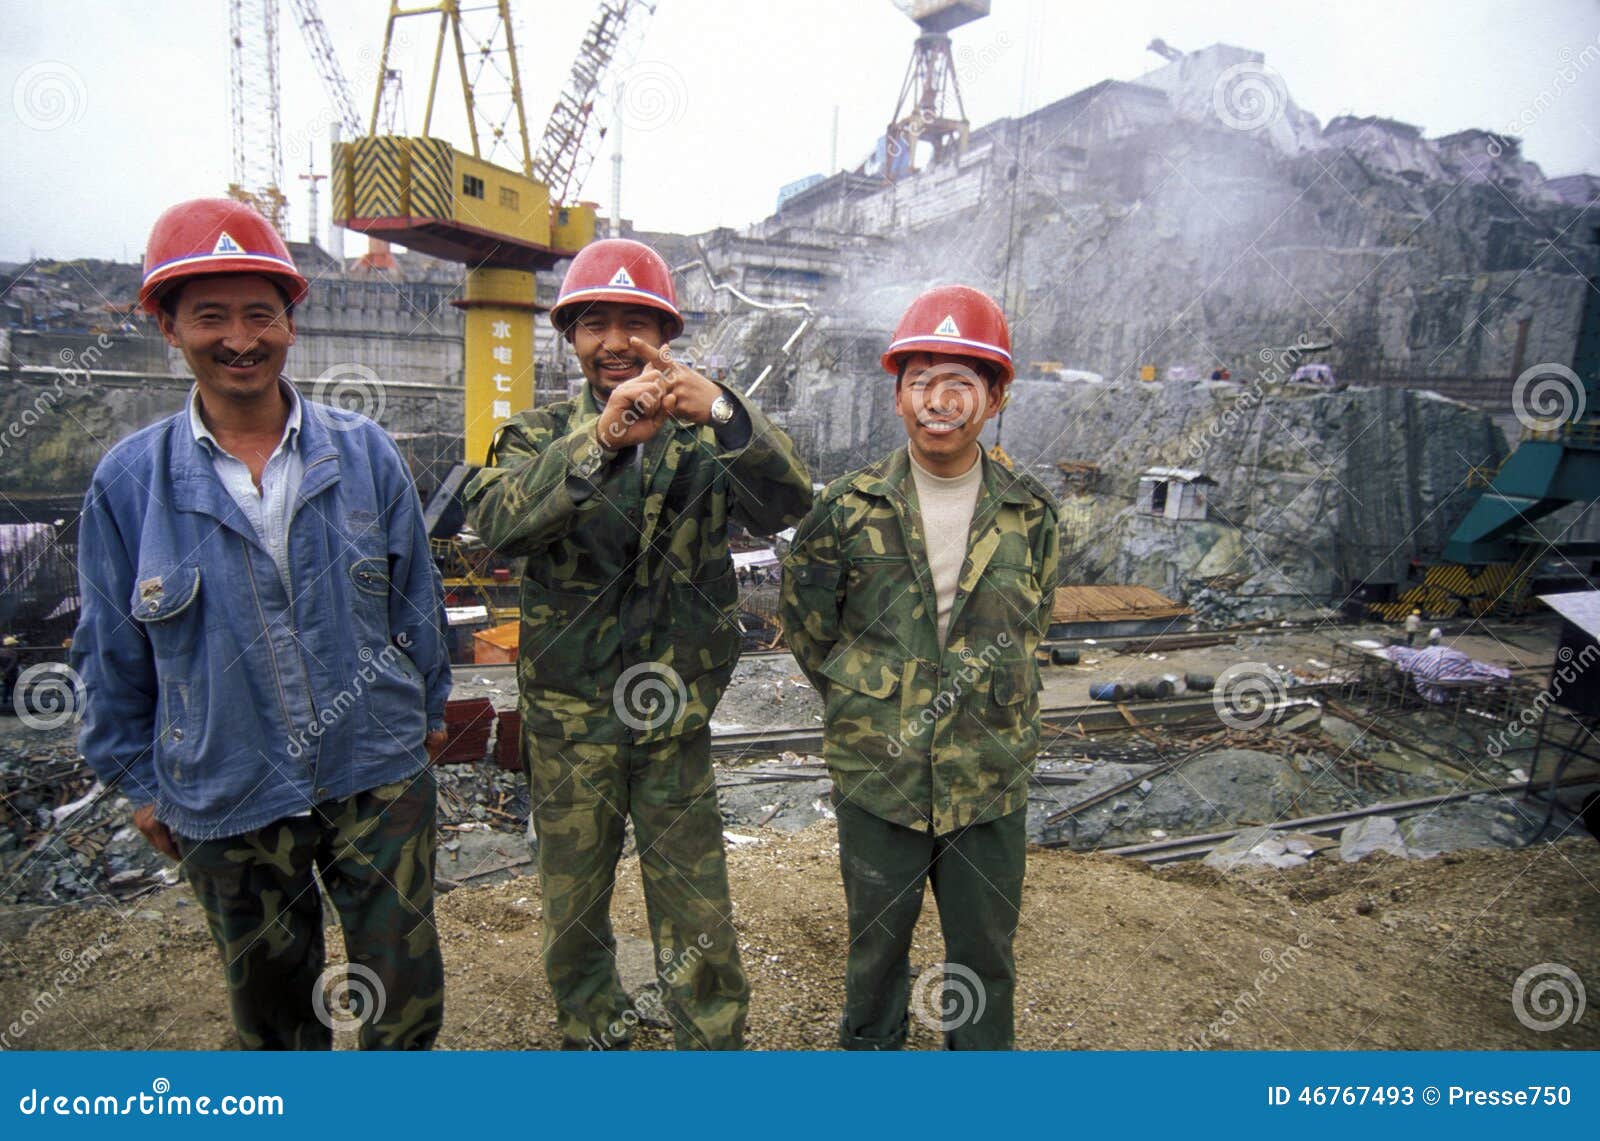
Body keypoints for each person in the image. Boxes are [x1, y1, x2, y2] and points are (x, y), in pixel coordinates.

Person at [71, 198, 451, 1050]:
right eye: (210, 315)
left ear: (290, 323)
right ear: (168, 326)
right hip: (225, 787)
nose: (240, 337)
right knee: (274, 1022)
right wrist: (139, 780)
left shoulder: (364, 454)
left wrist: (422, 720)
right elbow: (108, 652)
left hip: (376, 773)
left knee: (406, 1001)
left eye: (260, 313)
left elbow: (417, 604)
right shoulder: (129, 485)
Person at [464, 238, 812, 1050]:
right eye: (595, 324)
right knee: (573, 898)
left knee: (695, 897)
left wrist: (724, 410)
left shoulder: (704, 438)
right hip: (572, 718)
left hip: (673, 715)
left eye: (635, 324)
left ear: (666, 335)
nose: (615, 342)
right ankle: (593, 1031)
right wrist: (603, 442)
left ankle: (710, 1041)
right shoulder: (538, 435)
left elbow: (786, 500)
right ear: (572, 337)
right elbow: (503, 520)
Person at [780, 284, 1060, 1050]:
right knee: (875, 956)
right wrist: (874, 708)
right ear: (898, 393)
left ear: (996, 395)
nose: (939, 400)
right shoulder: (845, 509)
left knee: (984, 960)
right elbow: (810, 633)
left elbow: (1032, 625)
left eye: (962, 382)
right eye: (919, 380)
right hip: (880, 778)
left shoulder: (1031, 514)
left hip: (988, 782)